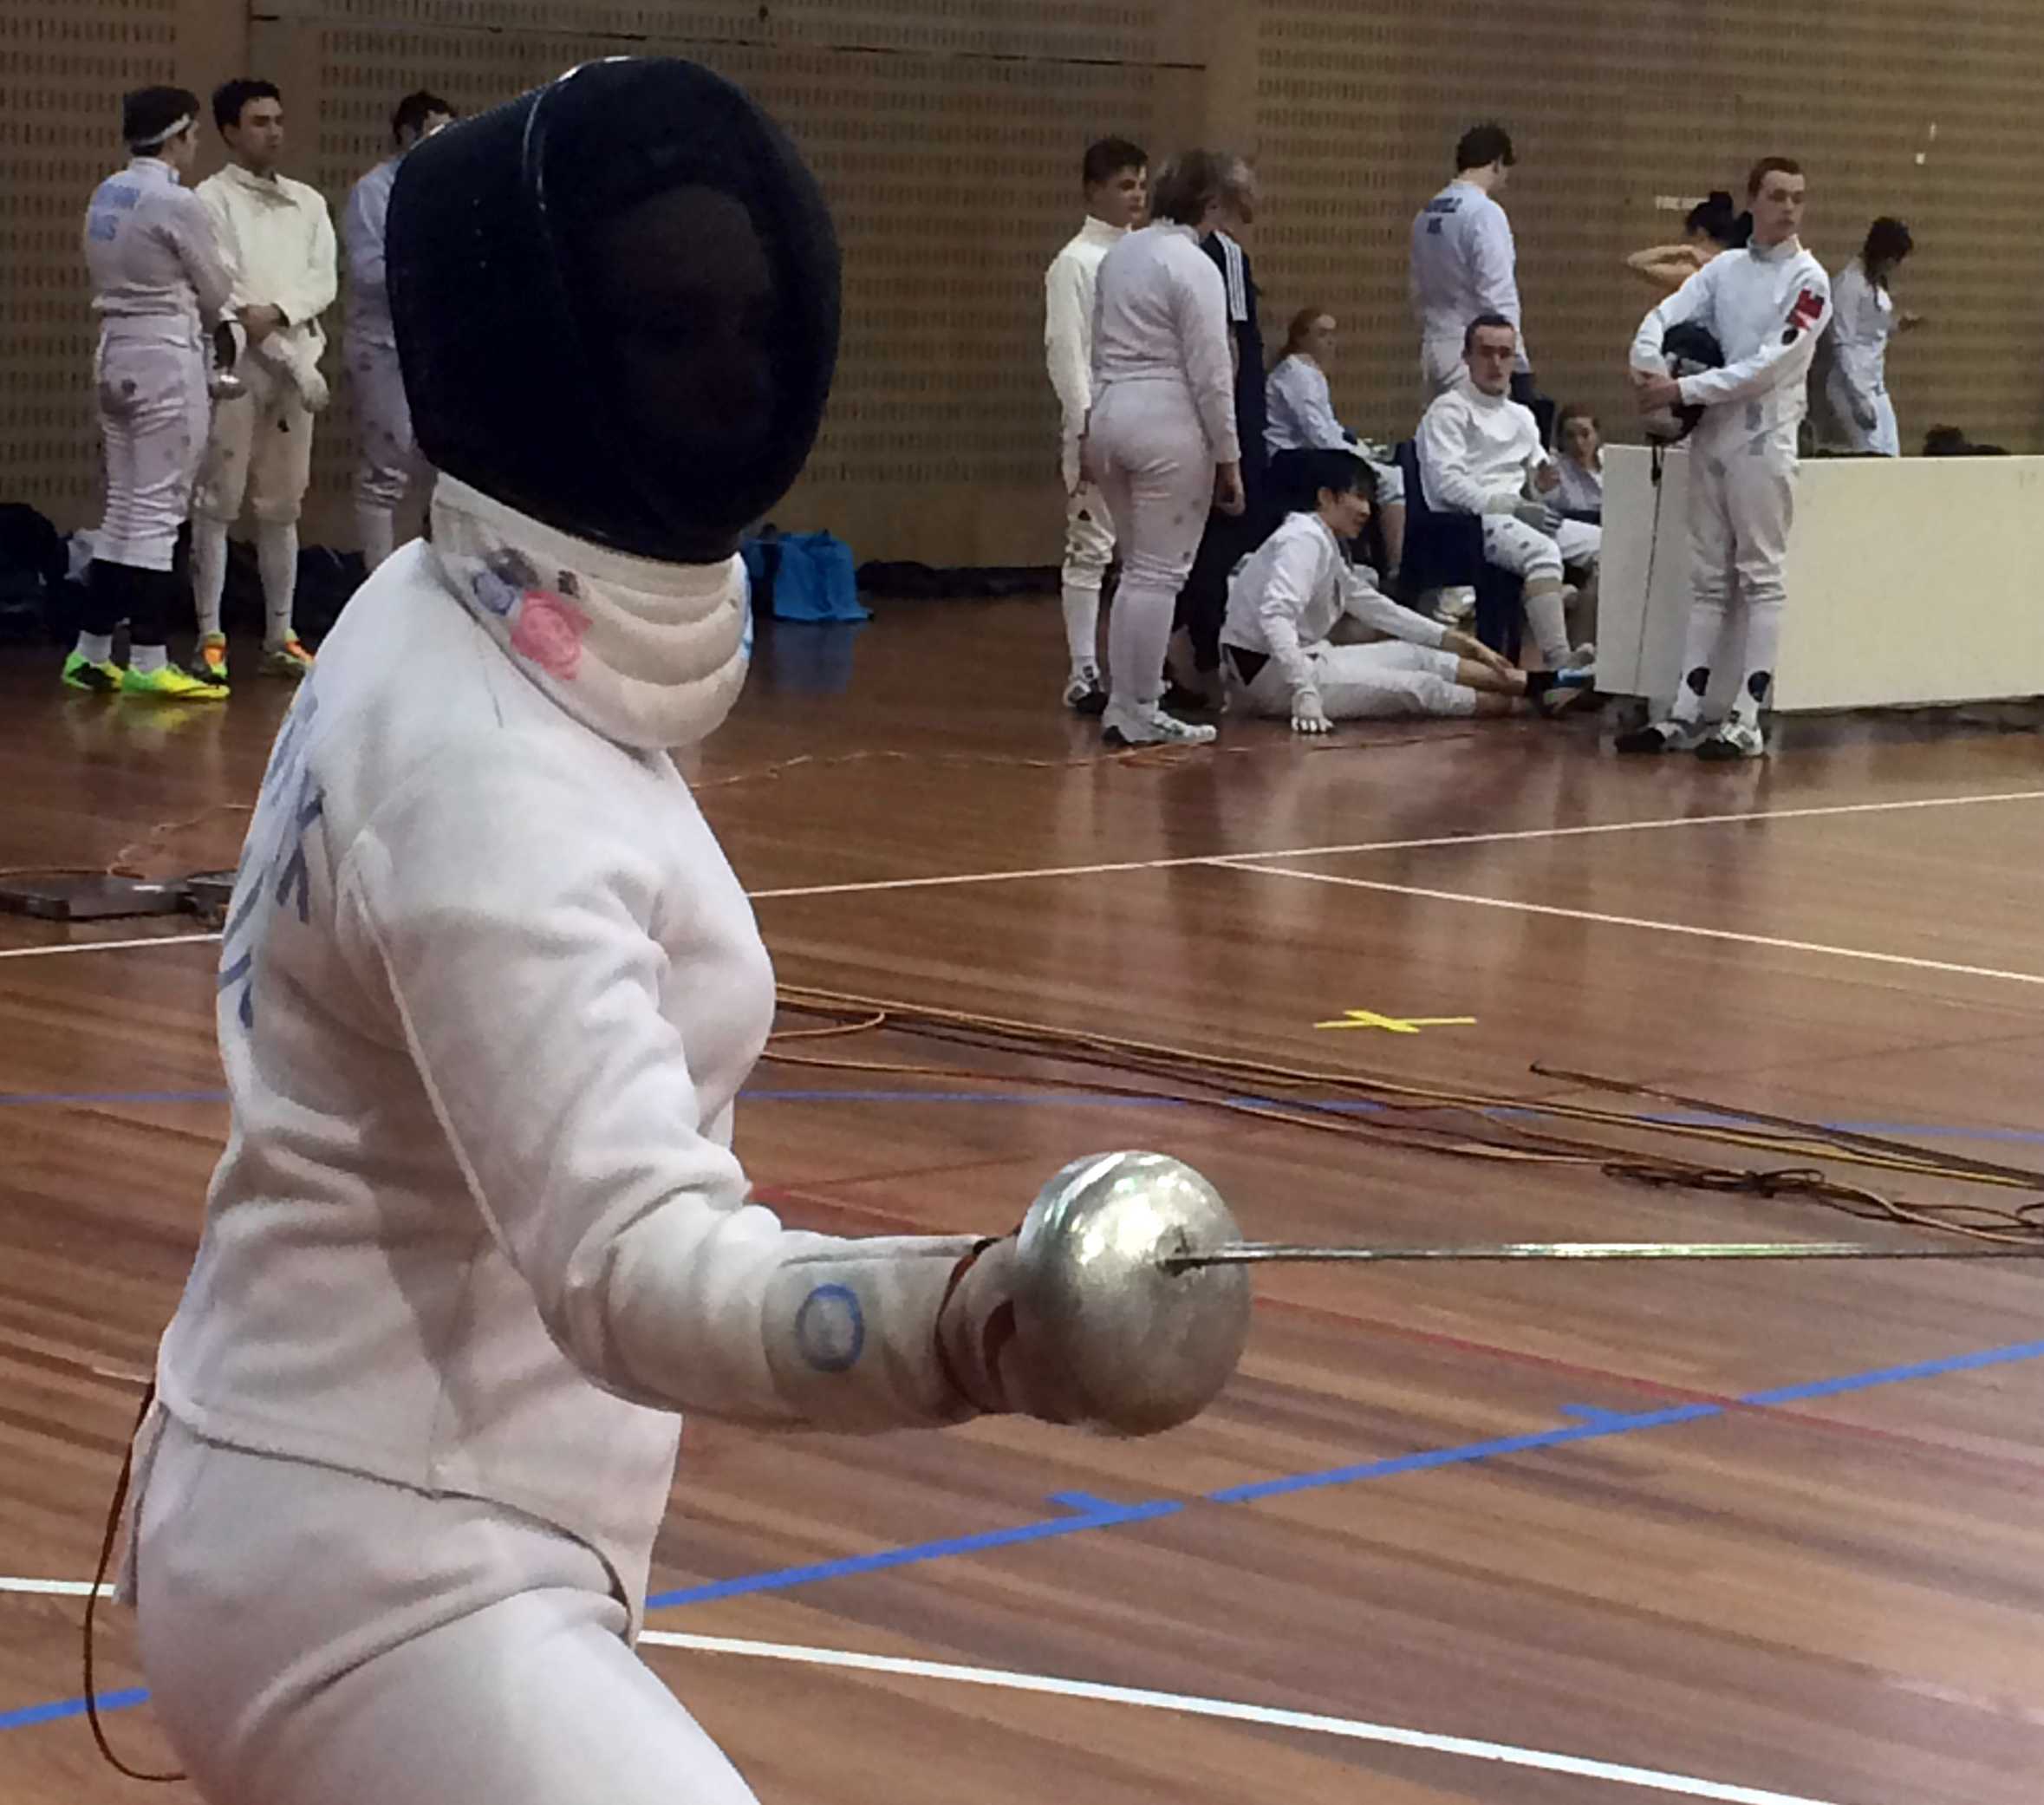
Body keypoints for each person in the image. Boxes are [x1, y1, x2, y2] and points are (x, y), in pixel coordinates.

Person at [127, 61, 1230, 1805]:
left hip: (385, 1511)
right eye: (662, 329)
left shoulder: (446, 617)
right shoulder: (482, 763)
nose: (731, 371)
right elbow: (631, 1269)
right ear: (534, 346)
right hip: (386, 1575)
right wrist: (984, 1318)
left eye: (750, 322)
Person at [1624, 155, 1831, 762]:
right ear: (1754, 201)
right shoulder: (1727, 270)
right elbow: (1664, 316)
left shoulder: (1810, 282)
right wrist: (1649, 365)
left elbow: (1771, 364)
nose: (1788, 207)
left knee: (1761, 576)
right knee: (1709, 579)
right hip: (1710, 438)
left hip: (1764, 442)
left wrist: (1682, 391)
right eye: (1777, 196)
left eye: (1797, 197)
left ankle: (1747, 717)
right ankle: (1686, 711)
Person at [70, 85, 236, 700]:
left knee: (123, 510)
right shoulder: (176, 201)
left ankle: (89, 651)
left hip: (113, 350)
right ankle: (148, 657)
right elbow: (216, 290)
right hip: (165, 355)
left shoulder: (107, 191)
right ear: (178, 136)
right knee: (160, 514)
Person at [1223, 448, 1578, 730]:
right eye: (1357, 497)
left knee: (1418, 657)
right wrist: (1303, 690)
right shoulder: (1302, 538)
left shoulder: (1321, 541)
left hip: (1301, 660)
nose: (1367, 510)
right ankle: (1535, 702)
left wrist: (1460, 642)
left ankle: (1547, 682)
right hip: (1272, 679)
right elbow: (1275, 614)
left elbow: (1376, 607)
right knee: (1421, 689)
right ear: (1325, 497)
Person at [1084, 148, 1245, 748]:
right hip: (1167, 424)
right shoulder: (1196, 265)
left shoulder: (1121, 253)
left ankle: (1126, 706)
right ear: (1208, 204)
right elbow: (1211, 372)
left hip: (1111, 416)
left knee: (1135, 573)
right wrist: (1229, 456)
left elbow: (1099, 345)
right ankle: (1140, 706)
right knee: (1158, 575)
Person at [188, 77, 334, 682]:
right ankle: (209, 634)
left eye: (277, 119)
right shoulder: (208, 200)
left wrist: (286, 326)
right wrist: (275, 344)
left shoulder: (308, 201)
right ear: (228, 130)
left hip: (298, 364)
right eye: (257, 121)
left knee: (282, 505)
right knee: (217, 501)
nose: (272, 131)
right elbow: (226, 290)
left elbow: (323, 279)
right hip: (237, 363)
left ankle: (280, 632)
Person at [1414, 314, 1597, 672]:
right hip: (1468, 523)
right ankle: (1559, 666)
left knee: (1612, 548)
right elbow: (1446, 484)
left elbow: (1534, 484)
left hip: (1519, 517)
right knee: (1543, 553)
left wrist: (1540, 487)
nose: (1496, 363)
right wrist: (1511, 505)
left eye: (1504, 354)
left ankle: (1585, 654)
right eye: (1486, 353)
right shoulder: (1448, 411)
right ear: (1466, 357)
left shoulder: (1523, 416)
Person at [1043, 135, 1147, 714]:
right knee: (1091, 546)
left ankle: (1139, 674)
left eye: (1140, 184)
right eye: (1124, 185)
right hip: (1097, 421)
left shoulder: (1147, 256)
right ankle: (1084, 670)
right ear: (1093, 191)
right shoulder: (1074, 262)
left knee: (1147, 555)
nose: (1136, 196)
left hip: (1147, 421)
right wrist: (1084, 427)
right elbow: (1067, 350)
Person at [342, 89, 455, 572]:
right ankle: (377, 588)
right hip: (382, 346)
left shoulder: (452, 188)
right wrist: (432, 270)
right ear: (408, 133)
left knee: (447, 472)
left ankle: (437, 585)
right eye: (435, 132)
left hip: (436, 346)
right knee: (385, 472)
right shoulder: (373, 191)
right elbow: (369, 272)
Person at [1176, 159, 1273, 701]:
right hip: (1227, 415)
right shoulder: (1223, 254)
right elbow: (1230, 346)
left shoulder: (1163, 252)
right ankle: (1206, 651)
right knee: (1224, 532)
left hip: (1189, 414)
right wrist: (1230, 439)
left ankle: (1192, 647)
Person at [1263, 307, 1405, 570]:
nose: (1330, 341)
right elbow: (1317, 432)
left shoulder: (1308, 371)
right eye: (1322, 334)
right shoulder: (1296, 372)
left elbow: (1329, 427)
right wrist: (1356, 456)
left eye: (1333, 334)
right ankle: (1394, 566)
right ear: (1301, 337)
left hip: (1308, 452)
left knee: (1384, 471)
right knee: (1391, 480)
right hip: (1292, 458)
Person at [1409, 123, 1527, 399]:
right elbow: (1498, 295)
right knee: (1482, 437)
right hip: (1474, 353)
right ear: (1497, 163)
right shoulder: (1484, 213)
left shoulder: (1426, 212)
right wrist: (1516, 358)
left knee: (1441, 434)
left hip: (1433, 347)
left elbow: (1416, 290)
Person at [1823, 217, 1919, 457]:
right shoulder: (1849, 284)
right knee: (1871, 456)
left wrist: (1897, 324)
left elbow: (1871, 330)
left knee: (1892, 454)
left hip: (1876, 383)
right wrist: (1858, 399)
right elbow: (1842, 343)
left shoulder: (1875, 283)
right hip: (1851, 385)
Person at [1626, 192, 1747, 294]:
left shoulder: (1694, 273)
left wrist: (1685, 250)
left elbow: (1634, 261)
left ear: (1700, 233)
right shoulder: (1739, 264)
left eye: (1688, 235)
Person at [1548, 403, 1603, 520]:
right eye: (1570, 436)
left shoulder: (1614, 465)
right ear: (1560, 440)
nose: (1578, 443)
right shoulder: (1553, 469)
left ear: (1597, 436)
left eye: (1585, 434)